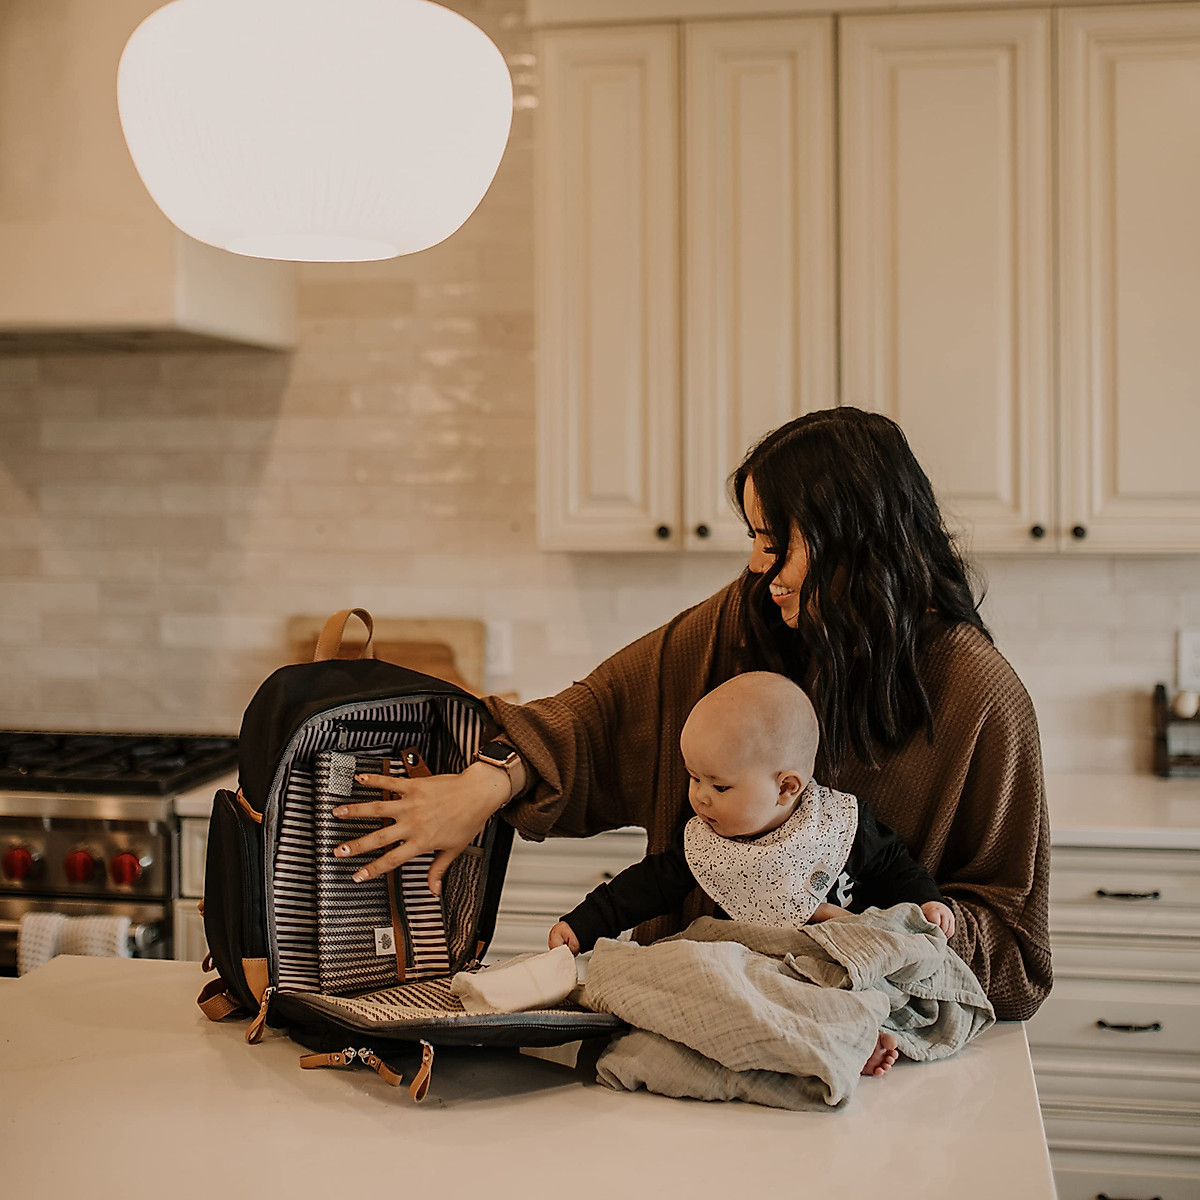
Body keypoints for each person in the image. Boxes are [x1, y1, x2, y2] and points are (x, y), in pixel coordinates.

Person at [337, 407, 1052, 1022]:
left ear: (855, 543)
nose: (754, 566)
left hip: (870, 1045)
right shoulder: (742, 625)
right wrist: (489, 782)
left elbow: (1016, 953)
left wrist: (885, 937)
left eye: (776, 542)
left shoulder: (981, 698)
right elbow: (603, 710)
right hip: (689, 1011)